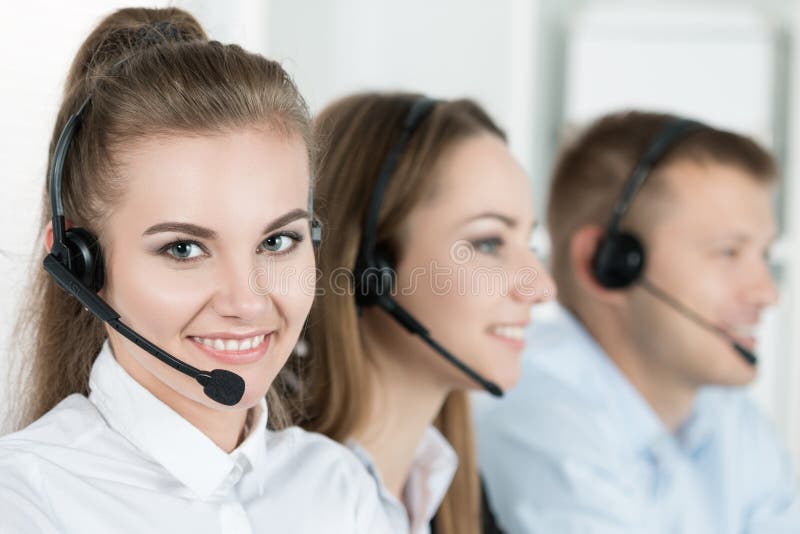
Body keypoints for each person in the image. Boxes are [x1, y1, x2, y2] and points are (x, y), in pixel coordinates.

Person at [0, 8, 392, 533]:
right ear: (78, 264)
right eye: (184, 249)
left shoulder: (338, 488)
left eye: (277, 241)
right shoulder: (26, 499)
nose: (246, 301)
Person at [474, 110, 800, 533]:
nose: (766, 293)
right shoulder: (534, 411)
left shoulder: (729, 417)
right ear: (608, 264)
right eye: (728, 253)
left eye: (764, 256)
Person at [296, 92, 554, 534]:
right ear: (370, 266)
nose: (542, 288)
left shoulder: (452, 492)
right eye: (489, 243)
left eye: (529, 243)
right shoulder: (282, 495)